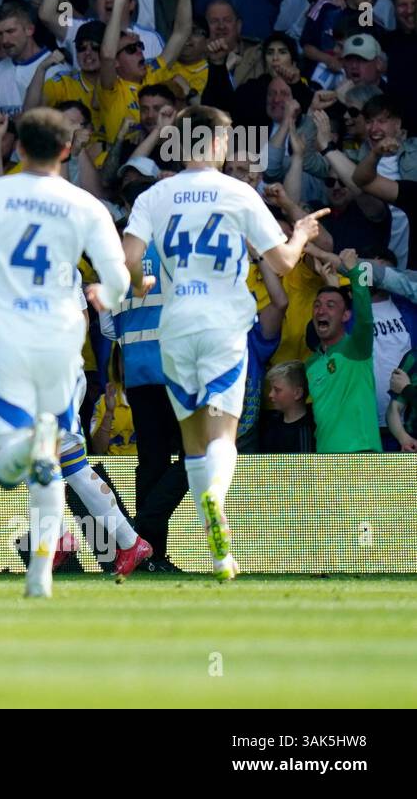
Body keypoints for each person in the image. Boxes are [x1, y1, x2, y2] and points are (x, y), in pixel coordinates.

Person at [0, 107, 150, 599]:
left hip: (6, 339)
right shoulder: (85, 206)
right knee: (62, 453)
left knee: (12, 462)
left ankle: (62, 547)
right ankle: (76, 547)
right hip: (61, 340)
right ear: (66, 150)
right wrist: (108, 293)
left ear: (17, 148)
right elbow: (119, 275)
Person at [122, 105, 328, 581]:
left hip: (172, 331)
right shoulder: (240, 193)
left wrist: (139, 283)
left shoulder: (154, 196)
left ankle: (220, 556)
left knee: (193, 443)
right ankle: (216, 503)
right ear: (218, 144)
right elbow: (281, 263)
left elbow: (128, 258)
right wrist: (300, 233)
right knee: (222, 437)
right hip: (222, 326)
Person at [305, 248, 382, 452]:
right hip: (326, 460)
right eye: (317, 305)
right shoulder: (311, 363)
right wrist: (332, 287)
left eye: (330, 305)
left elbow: (365, 317)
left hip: (362, 454)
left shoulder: (356, 348)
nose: (321, 310)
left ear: (346, 316)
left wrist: (355, 272)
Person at [260, 359, 316, 453]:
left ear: (297, 393)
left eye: (277, 390)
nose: (270, 394)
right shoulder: (272, 423)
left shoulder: (306, 431)